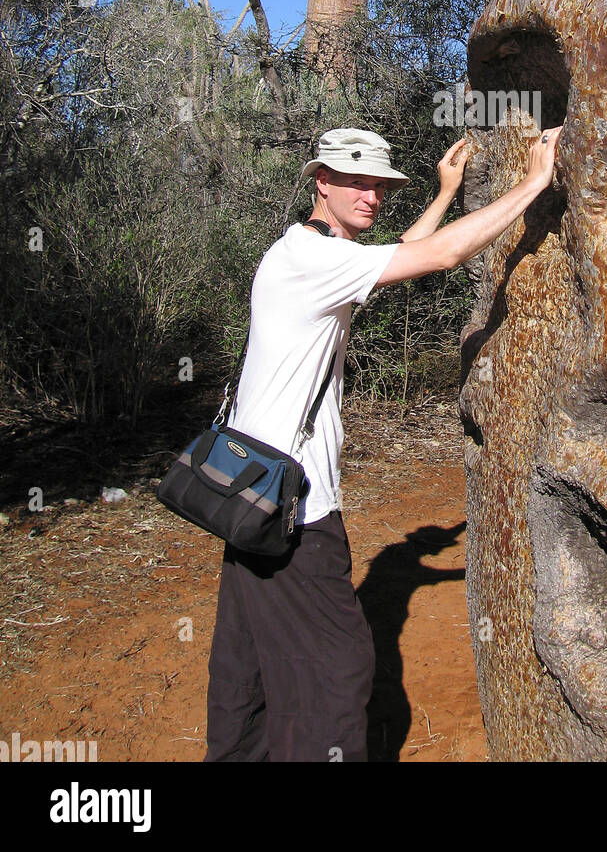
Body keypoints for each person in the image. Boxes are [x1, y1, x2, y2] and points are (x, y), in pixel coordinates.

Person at [205, 123, 562, 762]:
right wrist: (535, 183)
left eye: (379, 184)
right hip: (295, 514)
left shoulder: (307, 253)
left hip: (249, 500)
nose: (371, 194)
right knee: (336, 672)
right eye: (356, 181)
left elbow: (399, 255)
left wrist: (445, 193)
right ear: (321, 182)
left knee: (248, 670)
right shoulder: (314, 261)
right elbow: (443, 257)